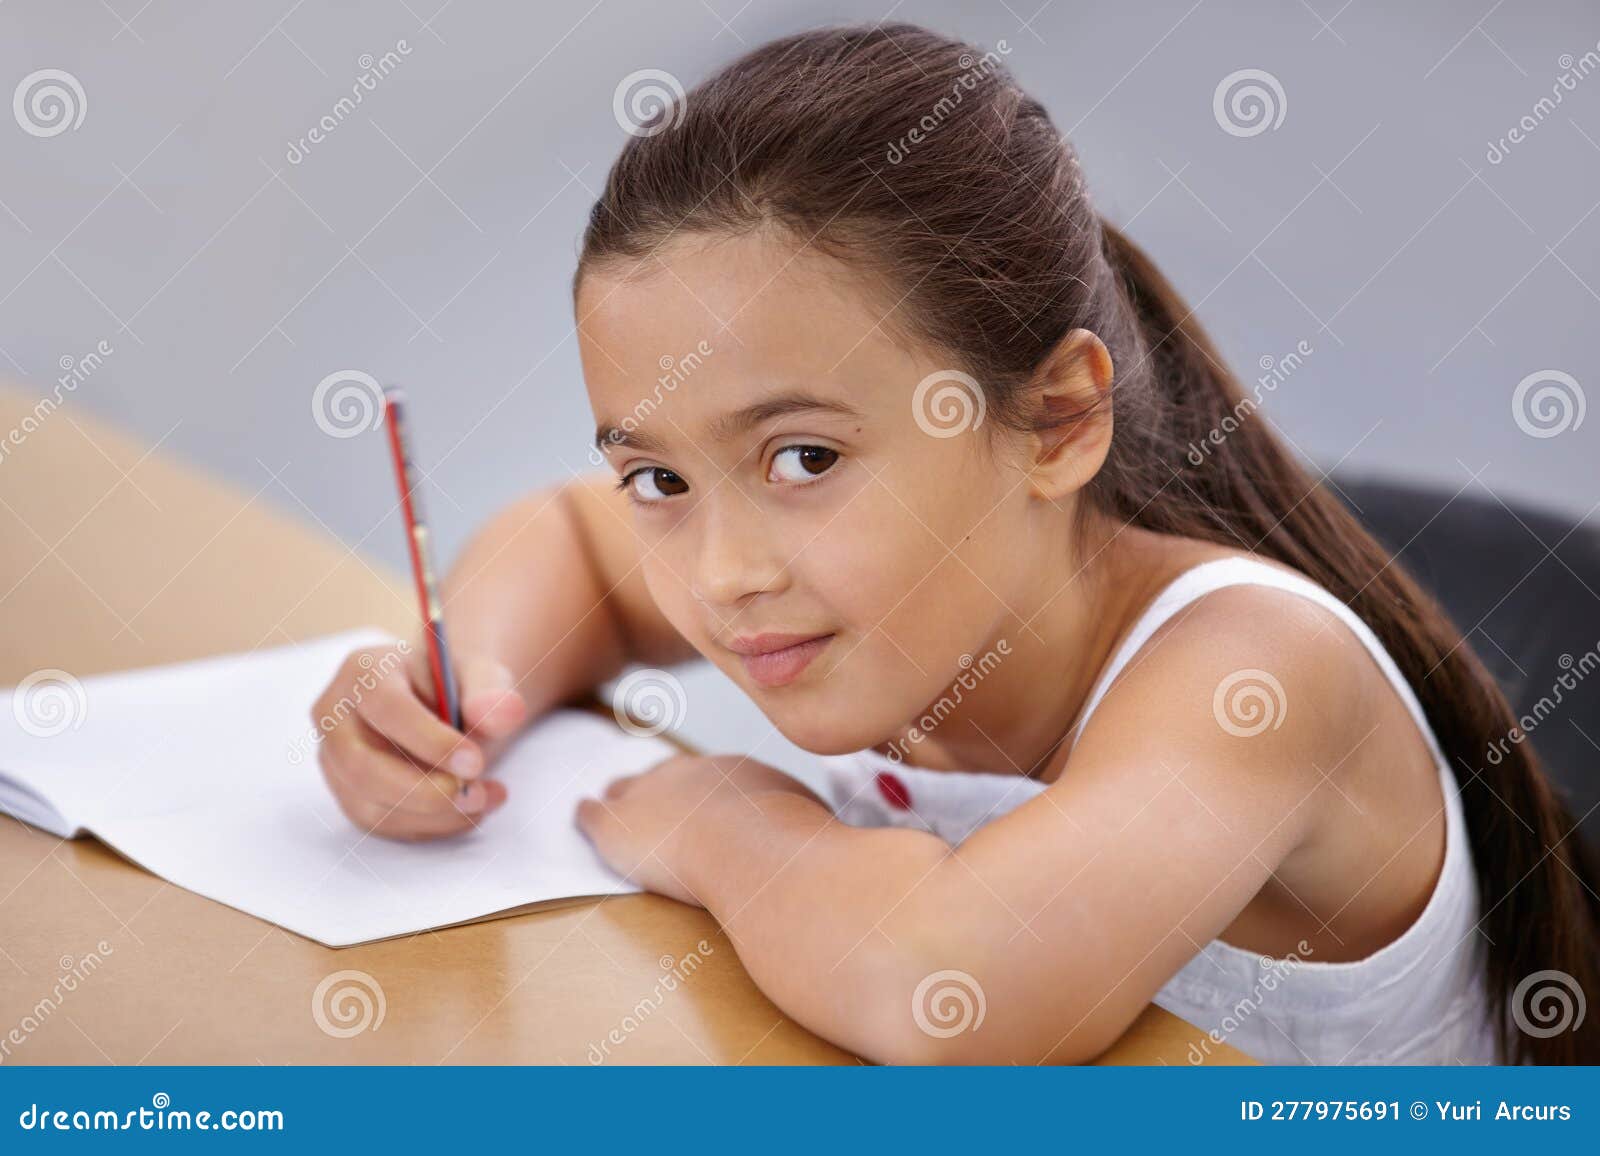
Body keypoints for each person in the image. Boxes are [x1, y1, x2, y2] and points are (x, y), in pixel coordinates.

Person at [312, 23, 1599, 1065]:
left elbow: (952, 992)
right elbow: (571, 544)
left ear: (1054, 420)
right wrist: (458, 695)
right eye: (658, 474)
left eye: (803, 459)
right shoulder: (915, 601)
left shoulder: (1252, 680)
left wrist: (725, 818)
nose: (721, 573)